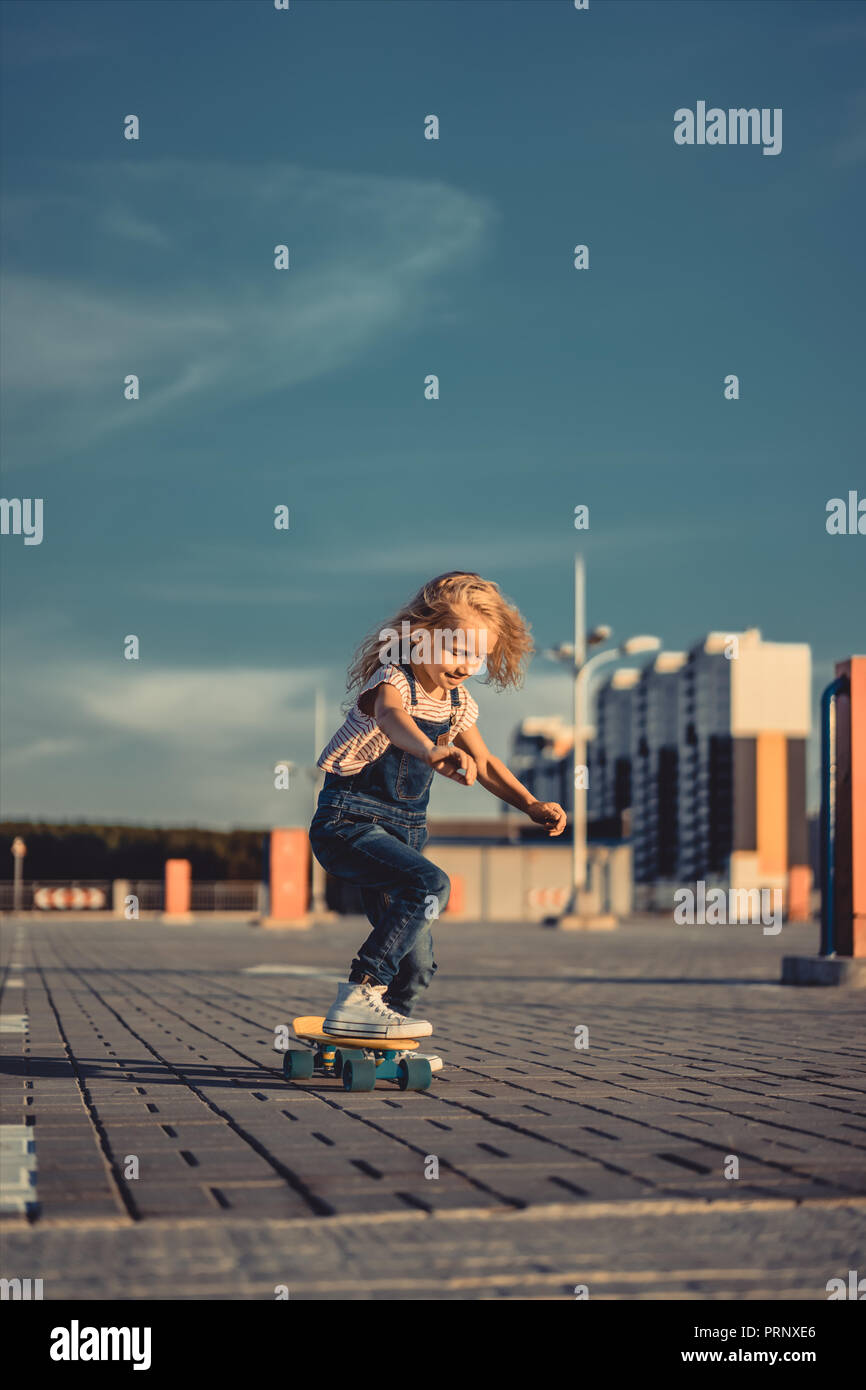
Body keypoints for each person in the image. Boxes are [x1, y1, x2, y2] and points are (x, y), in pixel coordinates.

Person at [309, 571, 567, 1042]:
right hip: (349, 824)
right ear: (420, 637)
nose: (466, 665)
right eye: (456, 650)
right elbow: (390, 719)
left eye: (478, 657)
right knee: (431, 883)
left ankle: (380, 1030)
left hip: (402, 836)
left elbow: (486, 763)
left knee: (419, 965)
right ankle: (358, 994)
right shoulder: (393, 682)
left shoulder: (456, 704)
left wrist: (530, 803)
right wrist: (429, 751)